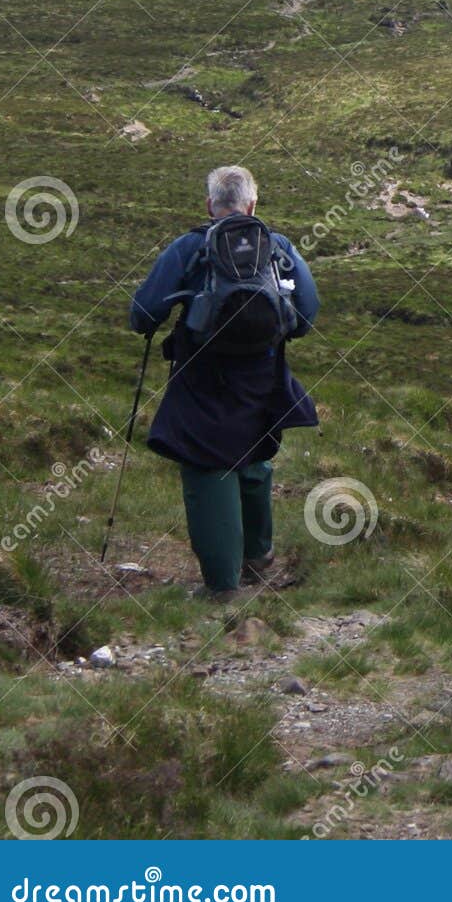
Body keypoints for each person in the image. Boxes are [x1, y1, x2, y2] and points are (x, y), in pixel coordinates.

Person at [129, 165, 319, 599]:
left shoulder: (190, 247)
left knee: (206, 463)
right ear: (253, 204)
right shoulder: (279, 247)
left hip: (202, 378)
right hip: (262, 377)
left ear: (209, 204)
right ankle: (258, 558)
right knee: (253, 457)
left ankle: (222, 586)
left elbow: (144, 312)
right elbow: (306, 313)